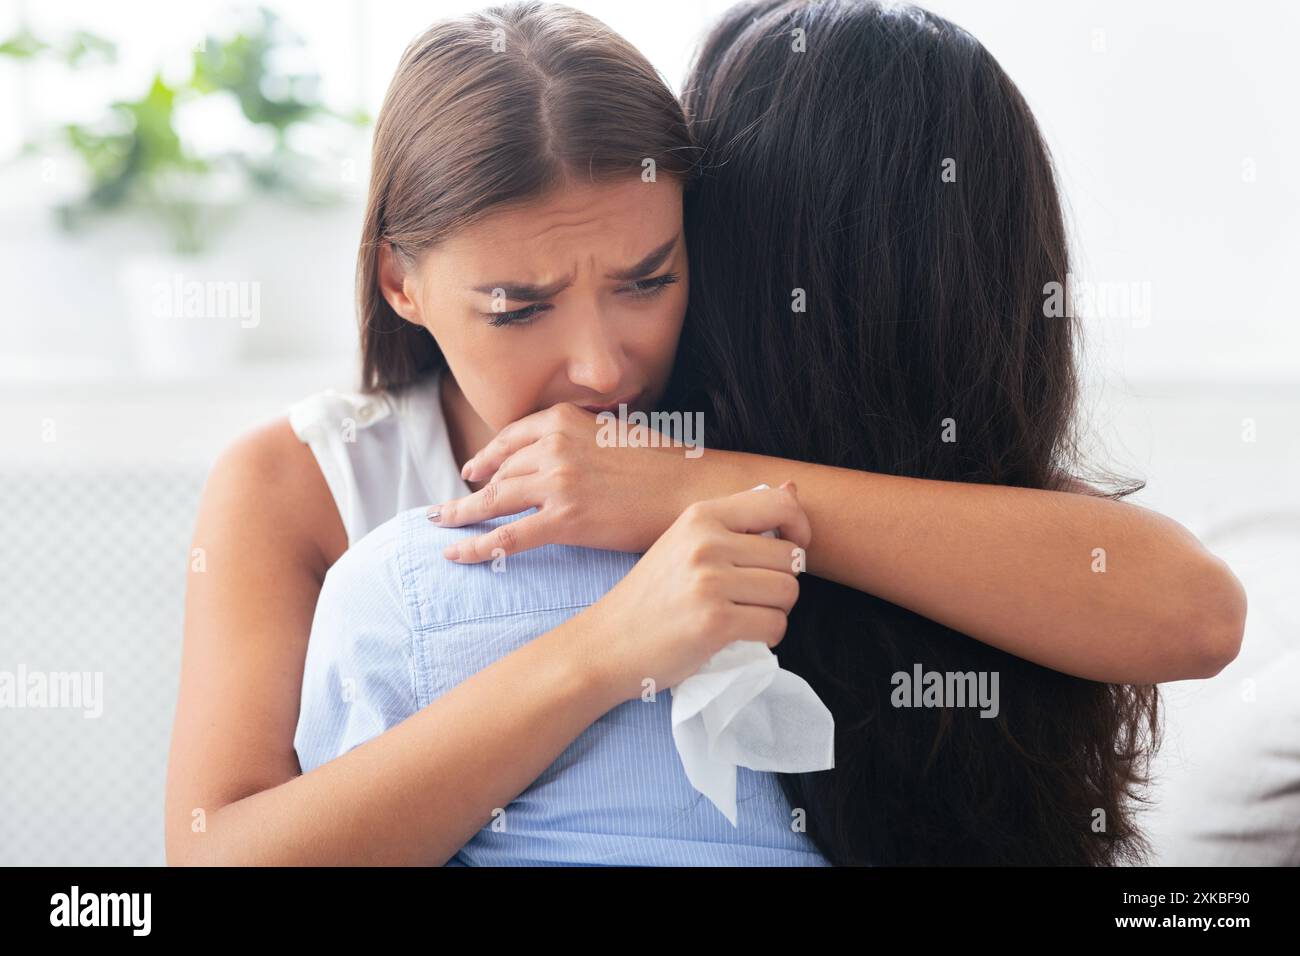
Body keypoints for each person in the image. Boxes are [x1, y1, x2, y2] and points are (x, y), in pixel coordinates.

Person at [165, 0, 1245, 866]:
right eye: (516, 306)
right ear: (400, 278)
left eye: (648, 279)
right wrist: (599, 653)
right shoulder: (303, 479)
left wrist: (693, 478)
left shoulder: (736, 393)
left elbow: (1188, 610)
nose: (599, 365)